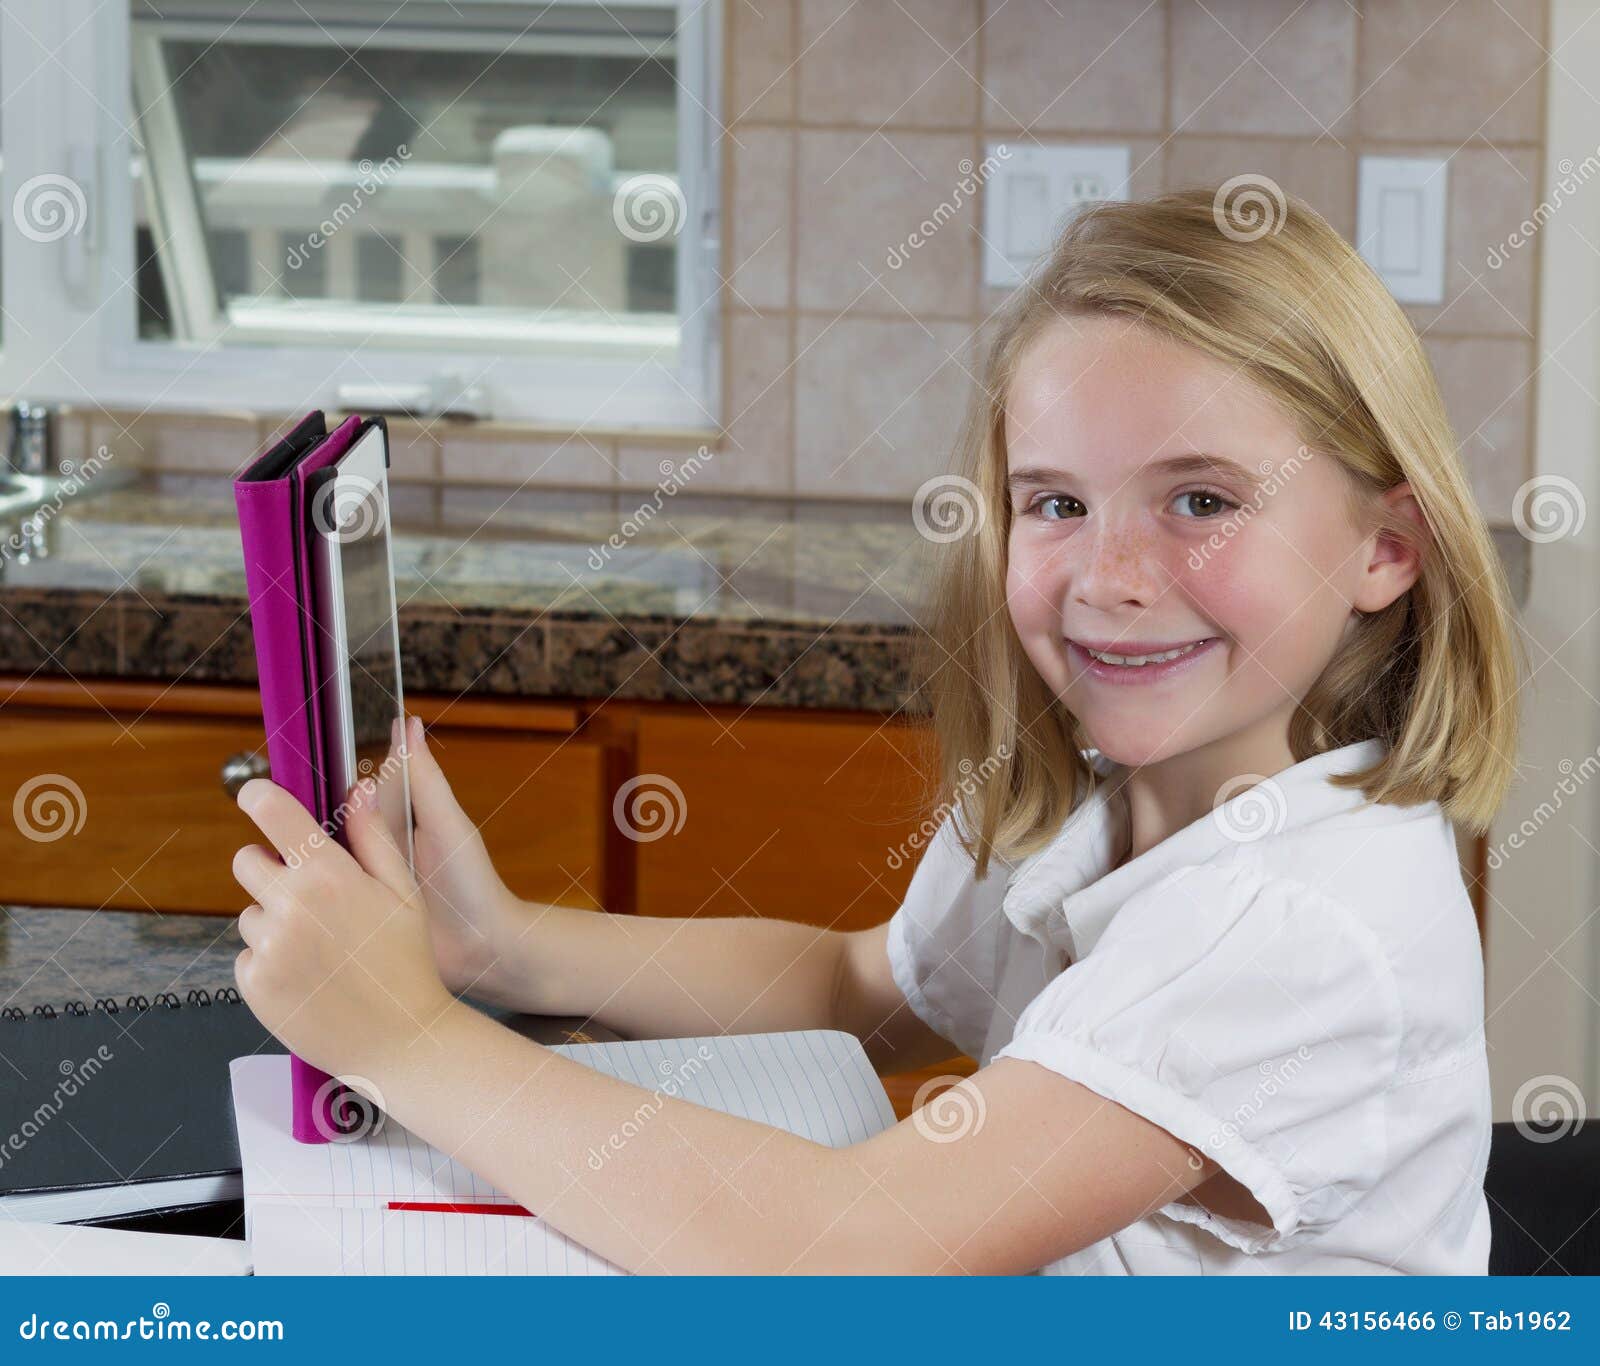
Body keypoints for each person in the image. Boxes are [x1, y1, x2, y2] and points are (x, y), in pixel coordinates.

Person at [231, 185, 1521, 1274]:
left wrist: (404, 1038)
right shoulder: (1083, 791)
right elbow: (855, 991)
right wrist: (501, 947)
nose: (1109, 575)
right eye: (1057, 501)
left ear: (1385, 548)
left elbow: (842, 1253)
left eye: (1200, 499)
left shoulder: (1299, 928)